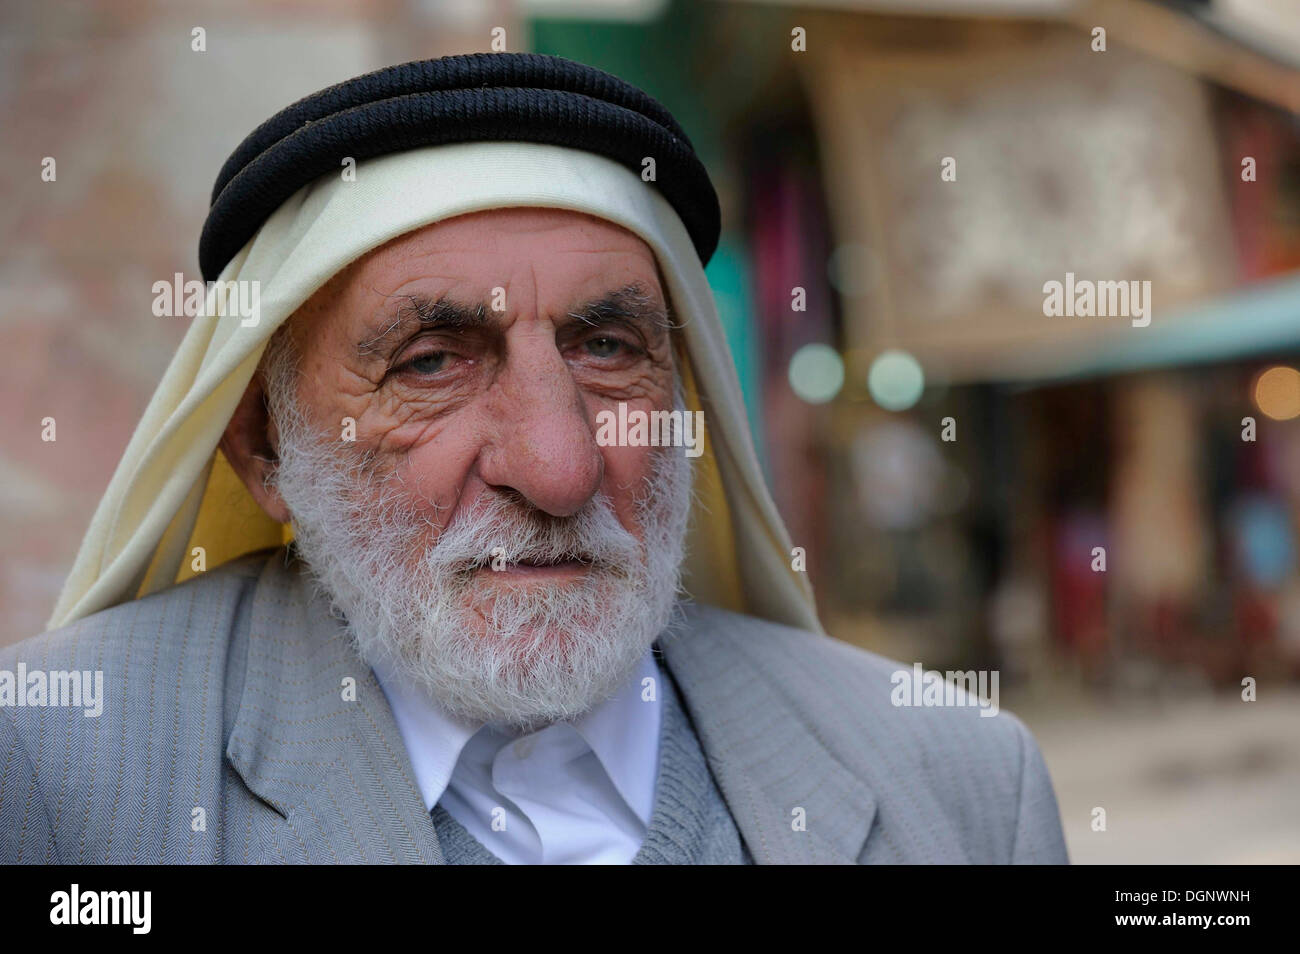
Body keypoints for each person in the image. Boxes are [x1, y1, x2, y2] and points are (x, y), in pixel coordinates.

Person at [0, 53, 1068, 864]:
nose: (559, 468)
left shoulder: (966, 785)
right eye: (431, 362)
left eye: (608, 350)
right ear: (266, 448)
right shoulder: (50, 776)